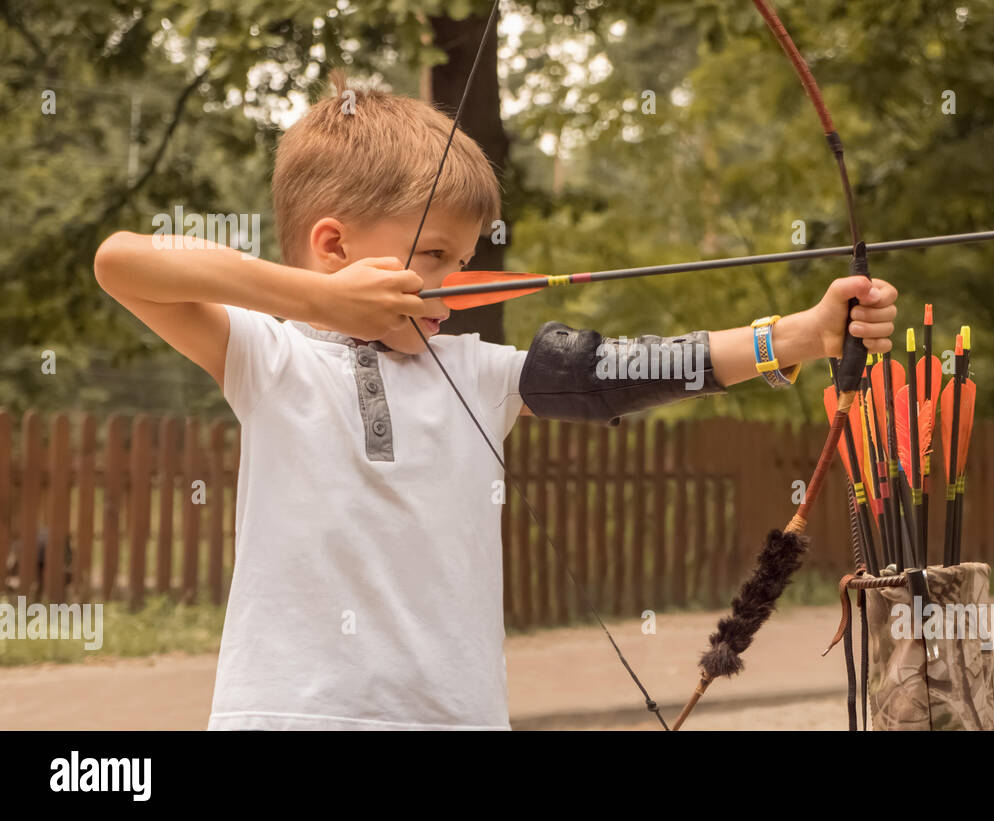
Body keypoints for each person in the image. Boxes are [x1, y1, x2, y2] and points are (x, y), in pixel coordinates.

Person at [93, 77, 897, 730]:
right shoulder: (270, 356)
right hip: (289, 713)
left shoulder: (477, 372)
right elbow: (121, 262)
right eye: (434, 256)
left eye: (462, 261)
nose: (451, 287)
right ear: (333, 244)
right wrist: (317, 299)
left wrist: (794, 336)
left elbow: (615, 370)